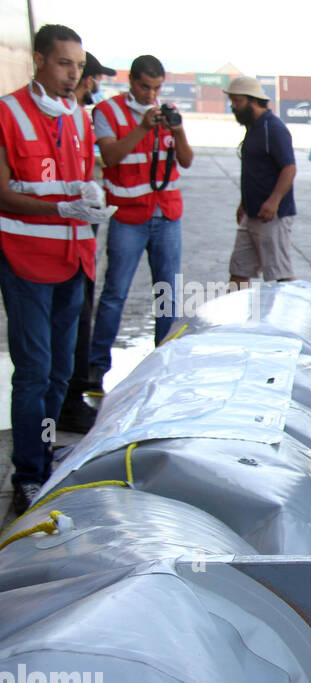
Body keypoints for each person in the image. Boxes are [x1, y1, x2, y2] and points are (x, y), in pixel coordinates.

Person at [0, 24, 111, 516]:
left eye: (79, 66)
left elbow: (79, 179)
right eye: (65, 64)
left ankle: (45, 452)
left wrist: (89, 199)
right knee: (34, 372)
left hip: (75, 259)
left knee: (61, 373)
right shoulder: (8, 113)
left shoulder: (79, 117)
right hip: (25, 259)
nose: (74, 75)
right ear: (40, 61)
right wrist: (61, 210)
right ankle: (28, 472)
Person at [89, 55, 193, 392]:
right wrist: (143, 127)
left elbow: (187, 160)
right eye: (145, 87)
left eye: (157, 88)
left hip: (166, 214)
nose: (151, 95)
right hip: (128, 216)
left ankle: (164, 361)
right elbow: (112, 157)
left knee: (167, 294)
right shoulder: (107, 112)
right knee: (115, 293)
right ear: (131, 82)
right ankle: (95, 367)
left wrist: (176, 131)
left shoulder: (169, 110)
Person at [57, 51, 118, 434]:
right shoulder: (64, 117)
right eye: (89, 76)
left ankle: (72, 396)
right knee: (64, 325)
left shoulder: (79, 116)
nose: (92, 83)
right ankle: (65, 402)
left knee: (77, 316)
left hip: (80, 236)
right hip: (52, 243)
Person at [225, 76, 295, 288]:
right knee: (238, 272)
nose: (233, 107)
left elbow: (289, 168)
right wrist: (244, 203)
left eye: (237, 101)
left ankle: (286, 319)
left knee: (279, 277)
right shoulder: (253, 127)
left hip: (272, 215)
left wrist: (273, 201)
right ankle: (237, 318)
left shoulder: (273, 128)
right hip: (252, 213)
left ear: (252, 101)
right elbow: (255, 171)